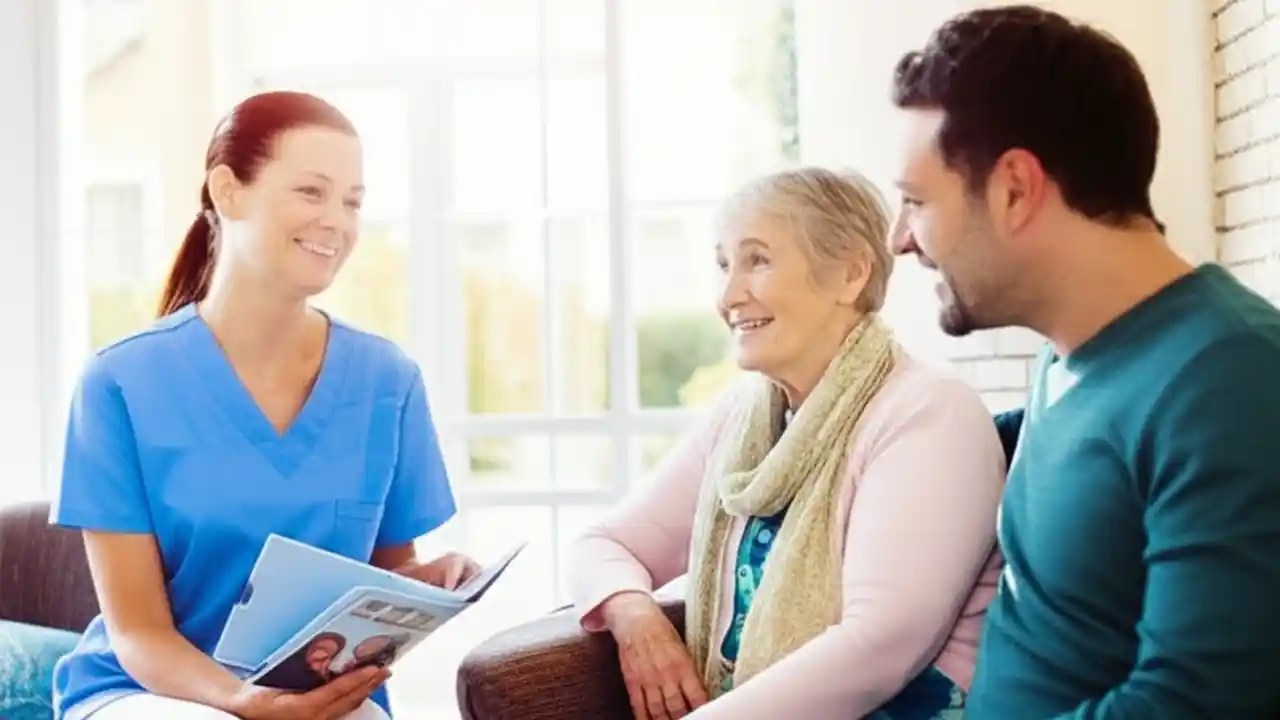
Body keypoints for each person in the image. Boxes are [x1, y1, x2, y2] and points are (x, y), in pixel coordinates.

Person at [889, 6, 1280, 718]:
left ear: (1015, 188)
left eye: (915, 201)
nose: (899, 240)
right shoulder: (1071, 354)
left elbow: (1195, 706)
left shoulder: (1231, 384)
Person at [48, 91, 482, 720]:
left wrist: (428, 585)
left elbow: (387, 574)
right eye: (311, 192)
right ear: (228, 191)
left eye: (353, 201)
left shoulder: (387, 380)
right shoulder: (118, 383)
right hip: (147, 692)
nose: (337, 220)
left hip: (314, 698)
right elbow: (139, 633)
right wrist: (244, 702)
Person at [569, 167, 1006, 719]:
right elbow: (603, 545)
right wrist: (635, 616)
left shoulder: (928, 412)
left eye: (758, 260)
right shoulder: (741, 417)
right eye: (725, 265)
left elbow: (877, 647)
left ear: (850, 273)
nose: (728, 296)